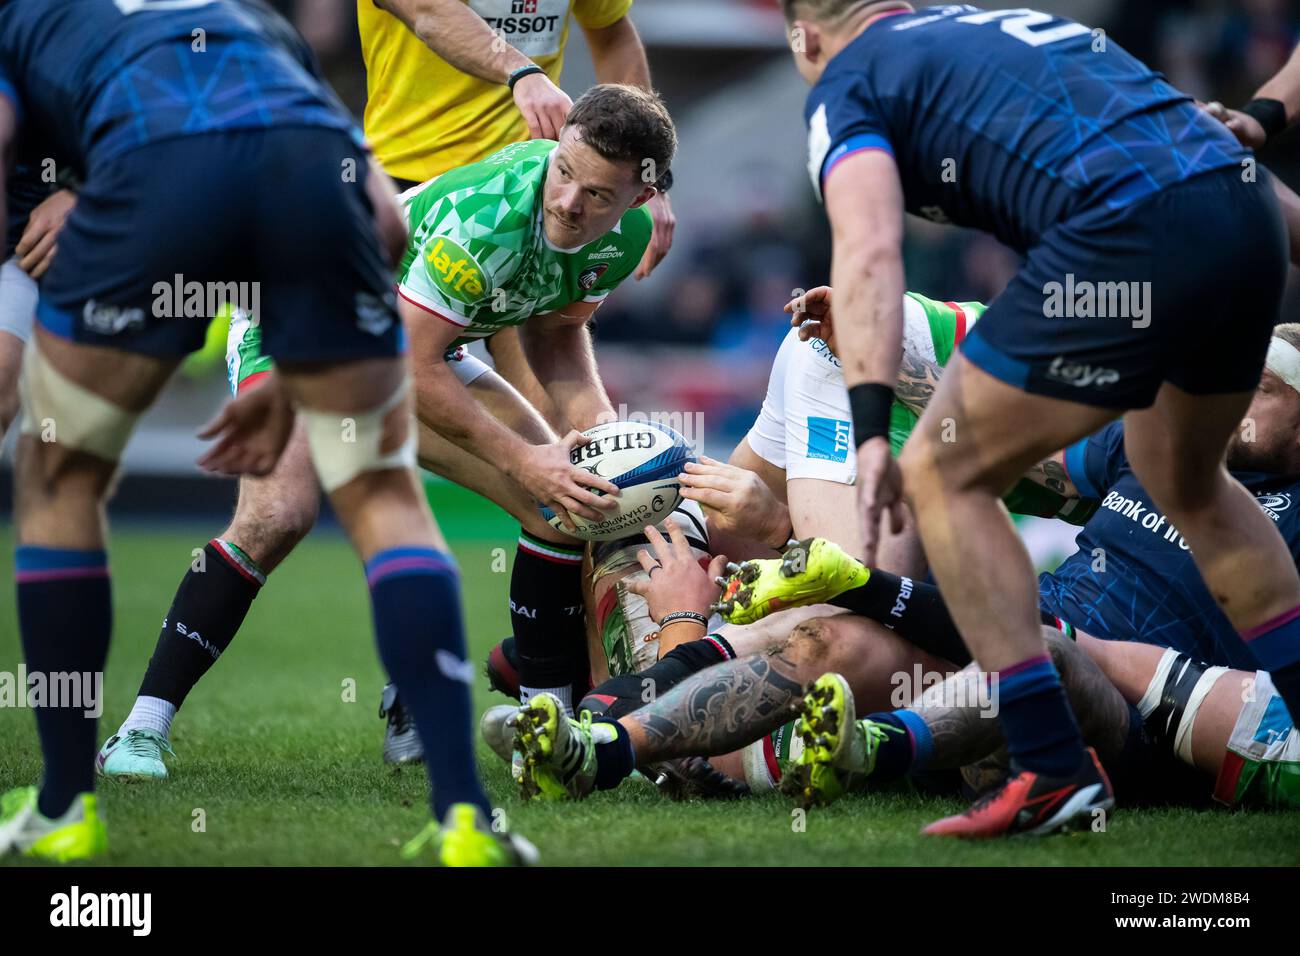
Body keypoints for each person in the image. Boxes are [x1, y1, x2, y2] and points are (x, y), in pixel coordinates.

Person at [0, 0, 532, 867]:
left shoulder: (28, 15)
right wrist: (291, 359)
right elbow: (382, 219)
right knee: (383, 491)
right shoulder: (254, 24)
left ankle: (65, 804)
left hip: (149, 174)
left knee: (58, 479)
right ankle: (465, 818)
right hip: (320, 179)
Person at [781, 0, 1300, 837]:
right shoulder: (998, 27)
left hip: (1128, 242)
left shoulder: (848, 81)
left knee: (943, 469)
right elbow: (1200, 148)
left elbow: (871, 251)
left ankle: (1055, 769)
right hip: (1245, 216)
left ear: (803, 36)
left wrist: (872, 425)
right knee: (1189, 488)